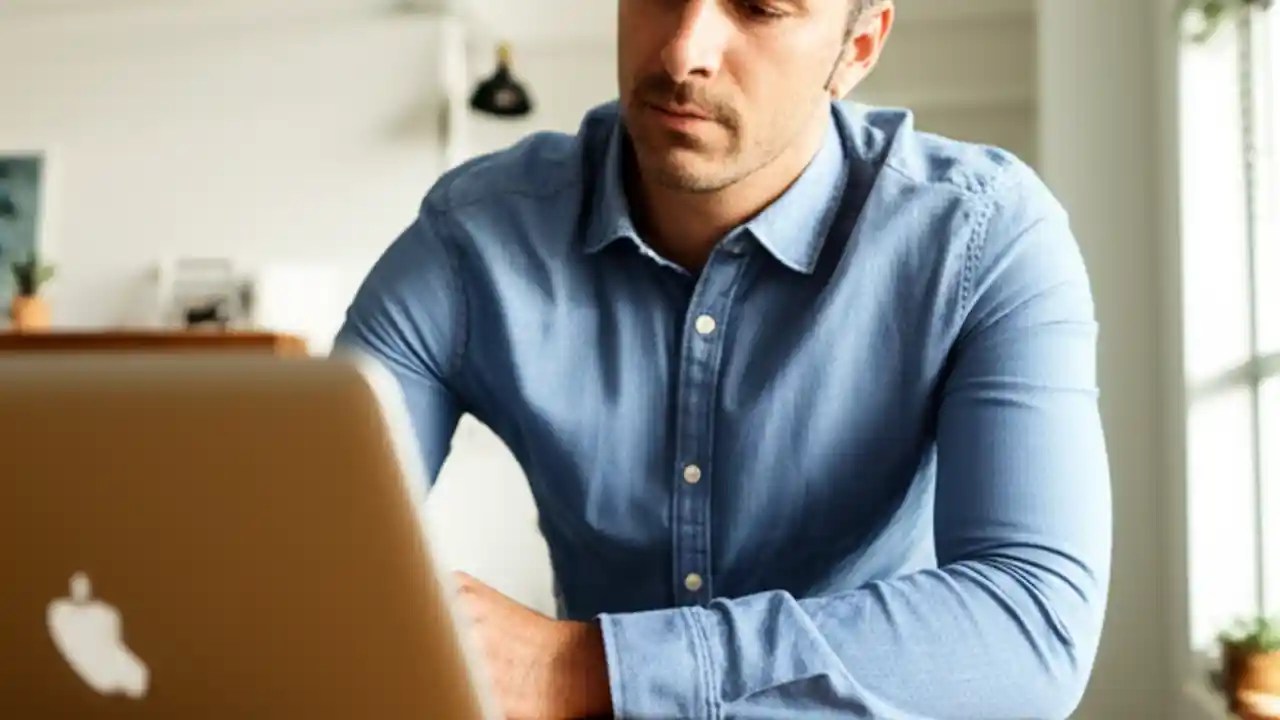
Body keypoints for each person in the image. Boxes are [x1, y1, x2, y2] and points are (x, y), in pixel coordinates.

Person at [334, 0, 1113, 717]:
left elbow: (1030, 626)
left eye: (761, 7)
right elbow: (299, 549)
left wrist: (585, 666)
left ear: (858, 47)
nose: (682, 51)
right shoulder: (474, 240)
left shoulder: (984, 239)